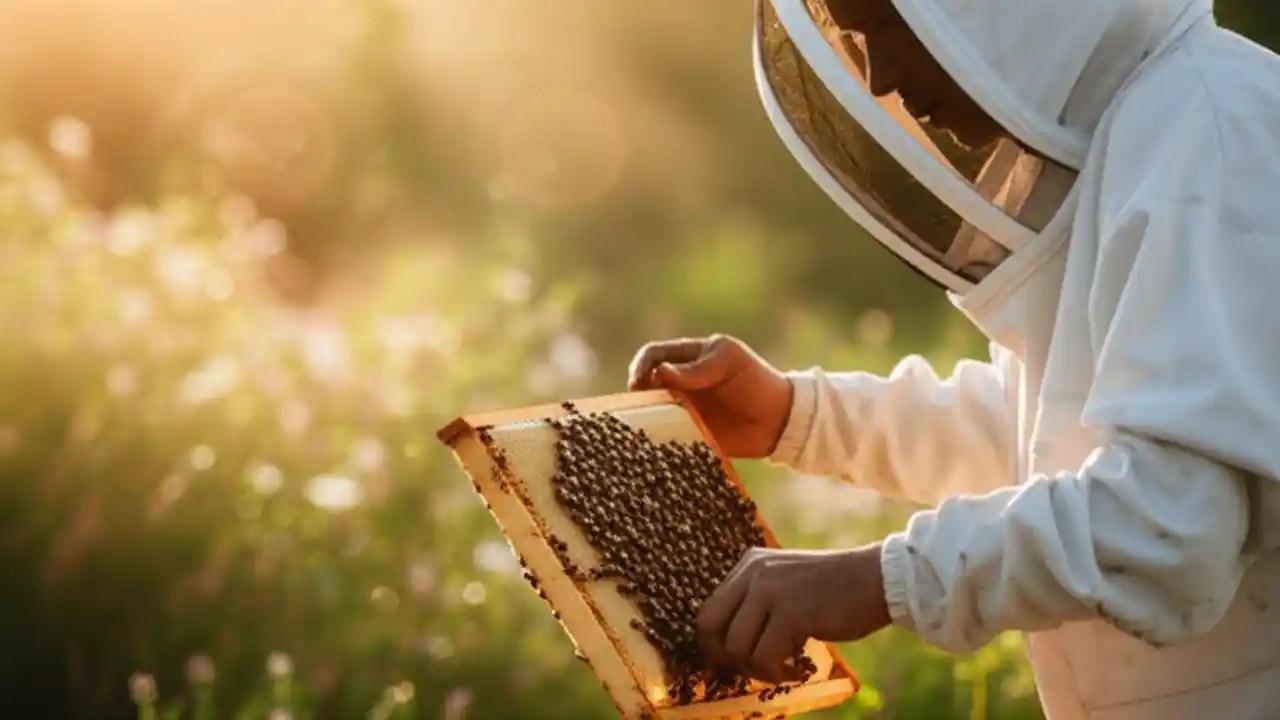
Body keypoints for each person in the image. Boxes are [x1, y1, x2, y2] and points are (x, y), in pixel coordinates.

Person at [629, 0, 1280, 717]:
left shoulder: (1215, 133)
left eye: (885, 25)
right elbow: (1049, 435)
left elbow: (1168, 525)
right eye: (854, 36)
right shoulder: (1137, 129)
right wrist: (797, 414)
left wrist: (879, 580)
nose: (878, 78)